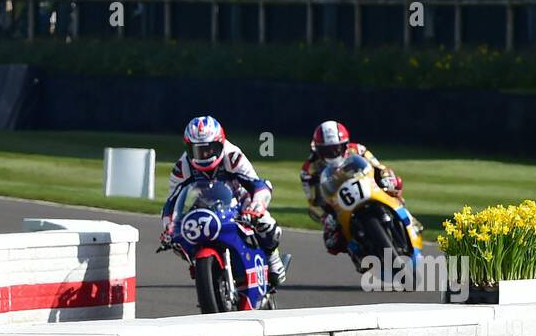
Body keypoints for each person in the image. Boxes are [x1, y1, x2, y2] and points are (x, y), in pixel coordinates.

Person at [161, 115, 288, 287]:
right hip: (204, 203)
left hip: (238, 197)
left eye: (210, 149)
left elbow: (257, 184)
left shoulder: (232, 155)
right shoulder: (182, 166)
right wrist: (169, 228)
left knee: (265, 221)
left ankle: (273, 259)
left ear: (220, 144)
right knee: (178, 241)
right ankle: (200, 267)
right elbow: (171, 202)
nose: (204, 155)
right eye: (198, 150)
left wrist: (255, 207)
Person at [299, 120, 415, 266]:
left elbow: (379, 168)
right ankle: (358, 252)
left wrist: (386, 178)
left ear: (345, 144)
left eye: (336, 148)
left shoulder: (358, 149)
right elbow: (313, 200)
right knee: (332, 242)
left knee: (395, 182)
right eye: (326, 150)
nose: (333, 153)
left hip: (367, 188)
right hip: (338, 204)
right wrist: (325, 217)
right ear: (317, 149)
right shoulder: (308, 170)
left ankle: (407, 218)